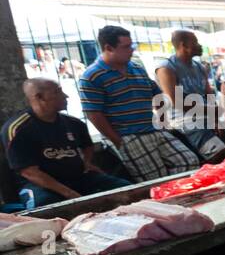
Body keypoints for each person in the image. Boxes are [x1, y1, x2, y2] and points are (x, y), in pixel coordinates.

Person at [79, 25, 200, 182]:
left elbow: (156, 94)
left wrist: (162, 123)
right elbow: (94, 114)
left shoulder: (136, 68)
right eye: (126, 47)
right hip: (128, 136)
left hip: (153, 129)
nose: (131, 50)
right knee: (157, 179)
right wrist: (118, 141)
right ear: (108, 48)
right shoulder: (92, 76)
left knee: (189, 162)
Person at [3, 78, 128, 206]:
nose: (65, 96)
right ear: (40, 97)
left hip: (78, 177)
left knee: (125, 189)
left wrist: (87, 162)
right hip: (39, 185)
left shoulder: (73, 123)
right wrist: (70, 194)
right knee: (47, 205)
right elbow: (30, 172)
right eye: (58, 92)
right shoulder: (18, 129)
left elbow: (88, 146)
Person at [156, 29, 220, 156]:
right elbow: (177, 103)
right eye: (195, 42)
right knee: (219, 151)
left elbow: (209, 94)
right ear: (183, 45)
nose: (199, 45)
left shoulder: (198, 67)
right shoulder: (166, 68)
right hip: (184, 120)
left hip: (203, 117)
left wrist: (215, 119)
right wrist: (211, 110)